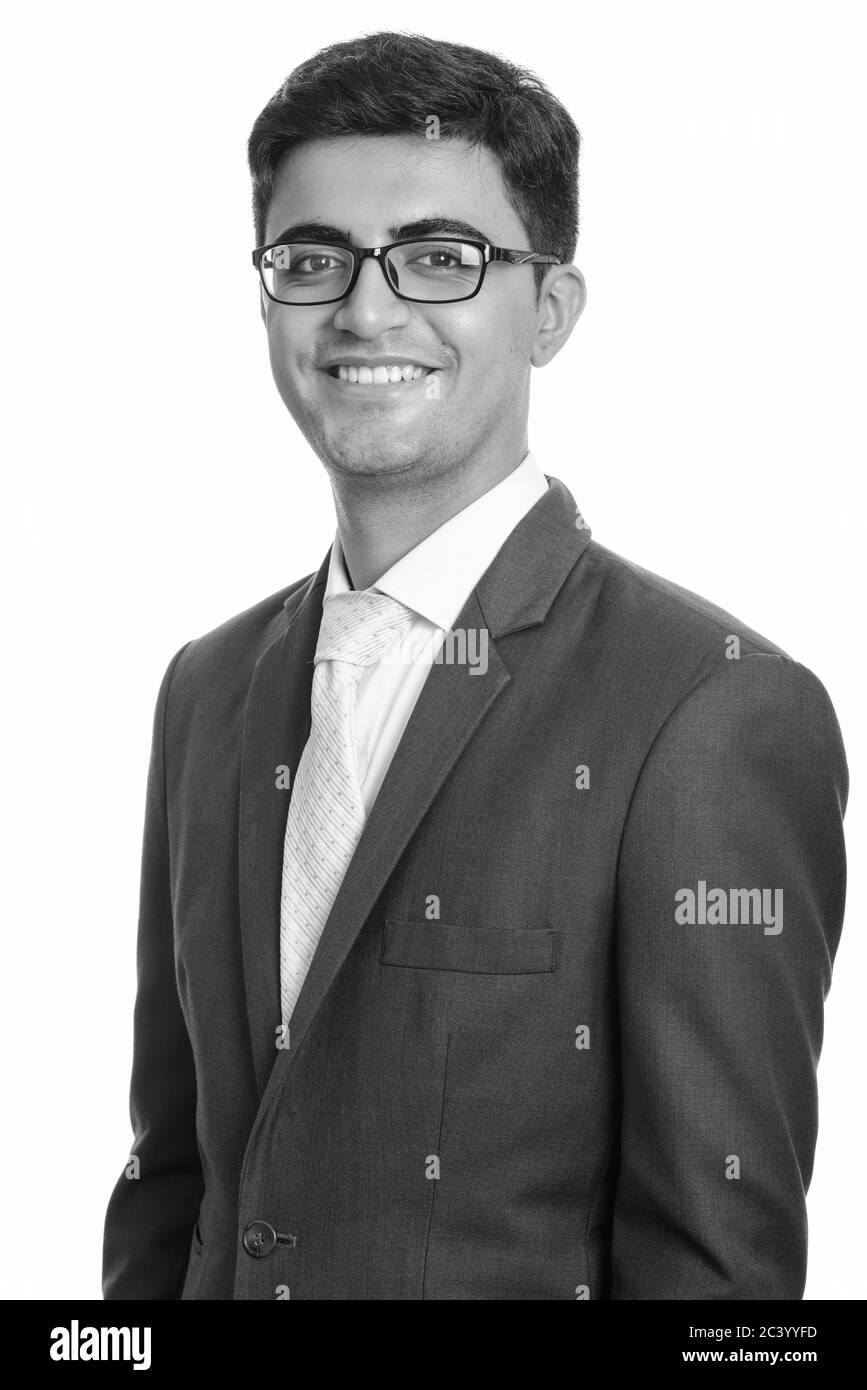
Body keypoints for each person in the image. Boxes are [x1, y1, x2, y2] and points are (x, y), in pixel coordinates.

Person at [102, 31, 848, 1301]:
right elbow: (173, 1177)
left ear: (549, 309)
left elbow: (718, 1285)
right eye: (313, 257)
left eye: (441, 259)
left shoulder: (709, 706)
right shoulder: (208, 688)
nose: (366, 308)